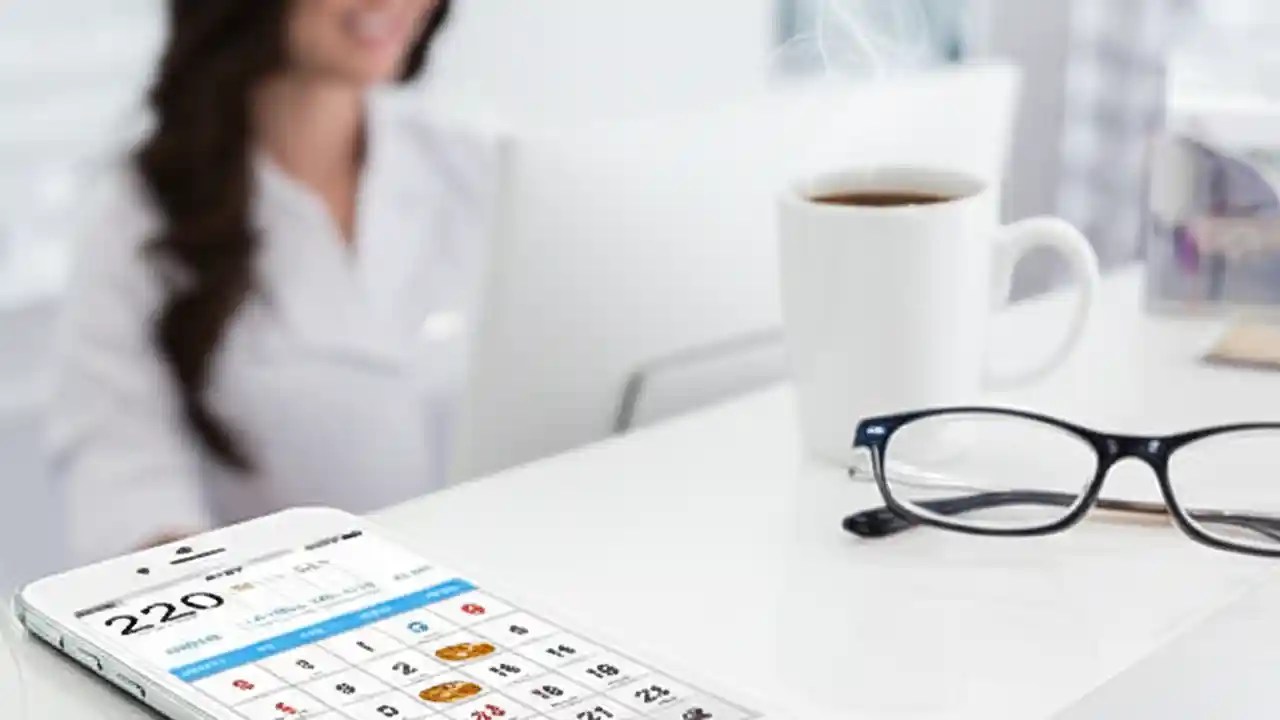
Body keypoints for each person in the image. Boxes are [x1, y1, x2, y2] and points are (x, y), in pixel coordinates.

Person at [49, 0, 494, 561]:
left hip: (499, 593)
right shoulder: (136, 218)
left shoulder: (478, 168)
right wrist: (203, 590)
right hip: (284, 618)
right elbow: (120, 464)